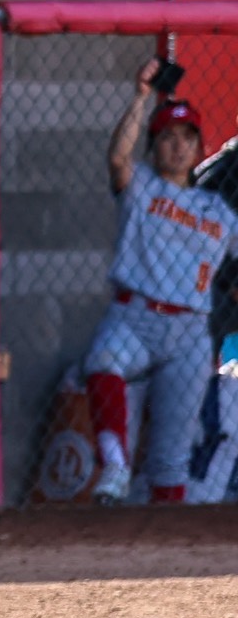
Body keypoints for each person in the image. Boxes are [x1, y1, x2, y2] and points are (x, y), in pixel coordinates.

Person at [84, 62, 238, 504]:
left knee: (171, 460)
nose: (178, 145)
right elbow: (118, 157)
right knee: (103, 362)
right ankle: (114, 466)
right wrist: (140, 96)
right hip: (134, 316)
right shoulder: (142, 187)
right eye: (168, 137)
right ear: (154, 146)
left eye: (187, 138)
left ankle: (163, 557)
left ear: (198, 147)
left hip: (190, 333)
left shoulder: (217, 210)